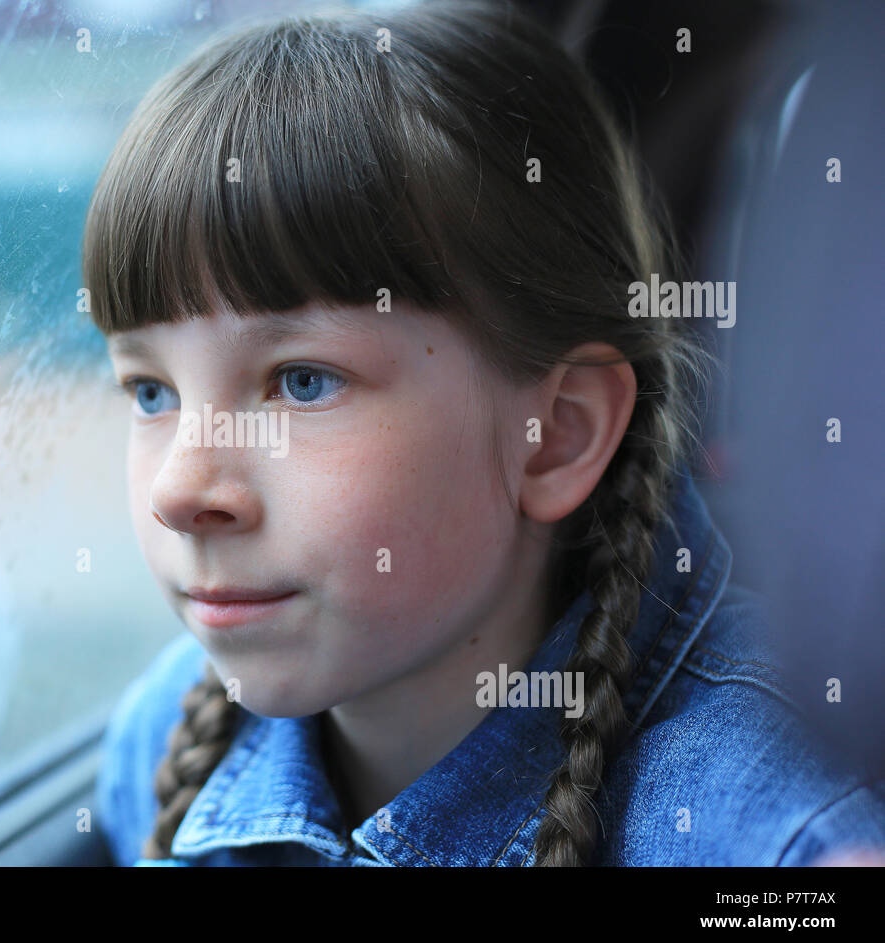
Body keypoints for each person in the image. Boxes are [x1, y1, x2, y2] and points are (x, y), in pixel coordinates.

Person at [82, 0, 885, 865]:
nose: (179, 493)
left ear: (557, 436)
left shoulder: (772, 838)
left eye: (302, 382)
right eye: (151, 392)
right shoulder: (159, 743)